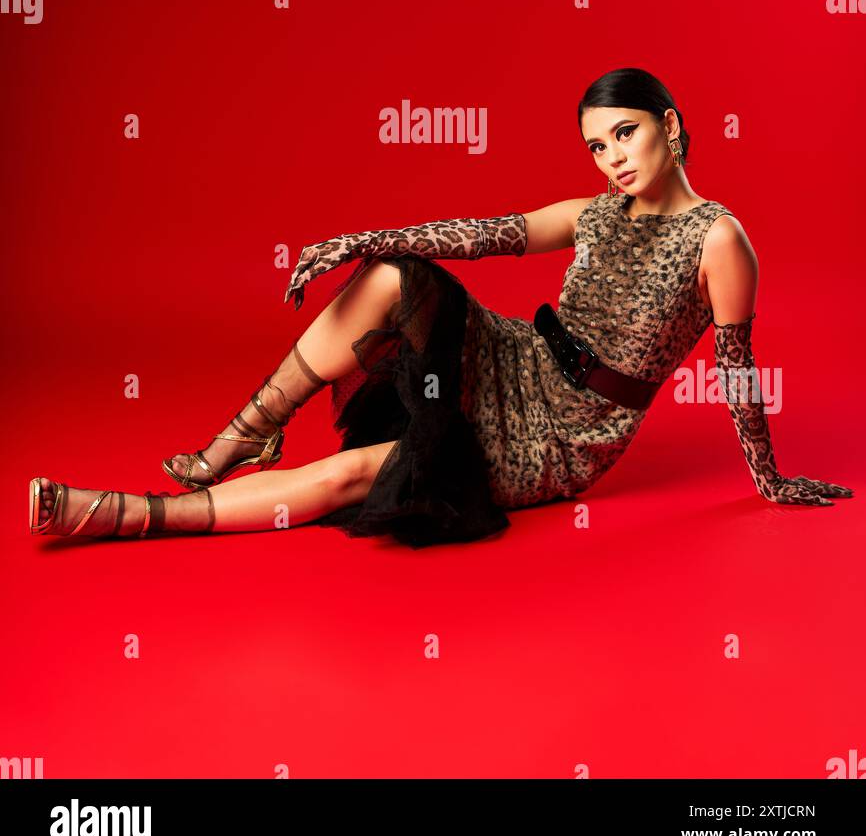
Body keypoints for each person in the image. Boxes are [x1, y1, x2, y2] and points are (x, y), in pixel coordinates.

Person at [30, 66, 853, 545]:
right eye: (598, 146)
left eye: (626, 134)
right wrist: (360, 240)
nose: (613, 159)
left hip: (566, 433)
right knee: (396, 275)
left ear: (670, 128)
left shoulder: (720, 242)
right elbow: (481, 233)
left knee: (368, 469)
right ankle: (242, 436)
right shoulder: (594, 211)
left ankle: (128, 518)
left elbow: (737, 373)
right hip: (517, 356)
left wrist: (770, 479)